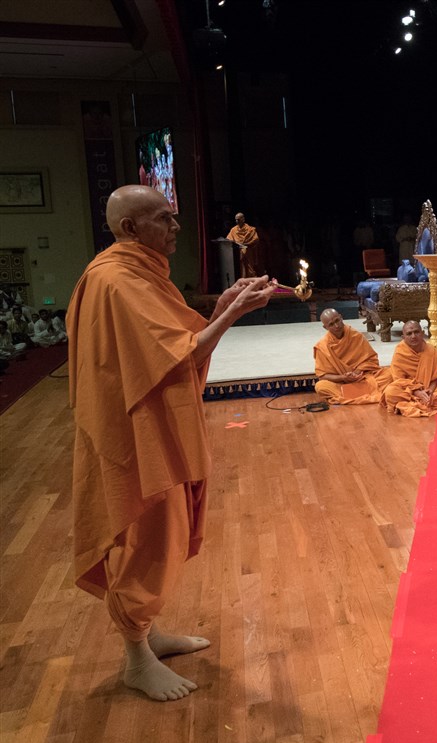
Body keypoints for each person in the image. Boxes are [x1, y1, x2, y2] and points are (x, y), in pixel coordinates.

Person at [68, 184, 275, 701]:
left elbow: (166, 351)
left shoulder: (135, 273)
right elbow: (171, 354)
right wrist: (231, 314)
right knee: (148, 532)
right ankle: (135, 656)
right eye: (164, 219)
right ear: (130, 228)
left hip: (152, 423)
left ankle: (149, 633)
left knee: (170, 527)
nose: (176, 227)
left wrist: (222, 308)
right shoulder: (116, 281)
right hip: (132, 436)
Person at [313, 309, 392, 404]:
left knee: (389, 374)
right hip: (341, 382)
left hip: (362, 377)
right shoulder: (322, 346)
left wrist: (356, 373)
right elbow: (323, 376)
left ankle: (349, 395)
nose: (336, 326)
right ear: (325, 327)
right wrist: (343, 377)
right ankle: (365, 392)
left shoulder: (356, 336)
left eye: (337, 320)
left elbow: (371, 360)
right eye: (331, 324)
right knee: (321, 386)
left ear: (341, 317)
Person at [383, 321, 437, 416]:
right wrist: (417, 392)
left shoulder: (431, 350)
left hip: (427, 390)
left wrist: (429, 392)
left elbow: (436, 377)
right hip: (409, 391)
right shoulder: (400, 352)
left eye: (416, 332)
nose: (413, 336)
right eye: (409, 334)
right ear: (403, 337)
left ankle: (406, 406)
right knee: (390, 392)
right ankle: (422, 405)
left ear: (422, 333)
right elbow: (399, 380)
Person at [227, 212, 260, 278]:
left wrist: (246, 244)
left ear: (243, 219)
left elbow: (255, 239)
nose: (236, 221)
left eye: (238, 220)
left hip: (248, 252)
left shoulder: (250, 229)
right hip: (238, 253)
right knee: (241, 269)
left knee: (250, 269)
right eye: (236, 220)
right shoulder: (233, 230)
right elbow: (228, 240)